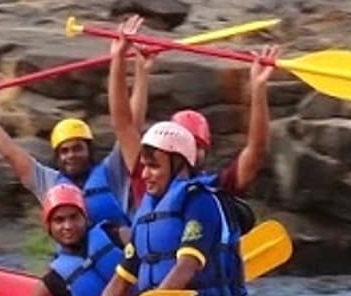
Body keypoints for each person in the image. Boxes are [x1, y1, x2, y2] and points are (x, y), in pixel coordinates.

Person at [106, 16, 279, 225]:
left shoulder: (213, 187)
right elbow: (122, 123)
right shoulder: (147, 174)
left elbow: (256, 151)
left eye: (197, 145)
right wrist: (119, 59)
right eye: (183, 141)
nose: (190, 150)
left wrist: (258, 89)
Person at [0, 41, 154, 227]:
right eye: (64, 151)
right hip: (76, 257)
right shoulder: (48, 182)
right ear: (57, 156)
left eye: (77, 148)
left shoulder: (112, 171)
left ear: (89, 150)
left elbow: (130, 127)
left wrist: (141, 72)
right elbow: (10, 153)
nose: (71, 155)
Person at [98, 121, 246, 296]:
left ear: (179, 166)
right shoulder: (145, 216)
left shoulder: (200, 202)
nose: (145, 174)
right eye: (144, 166)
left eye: (154, 167)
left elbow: (187, 265)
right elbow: (121, 280)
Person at [35, 182, 126, 296]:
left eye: (74, 217)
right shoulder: (53, 281)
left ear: (85, 218)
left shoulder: (114, 234)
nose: (68, 226)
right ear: (49, 227)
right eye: (59, 220)